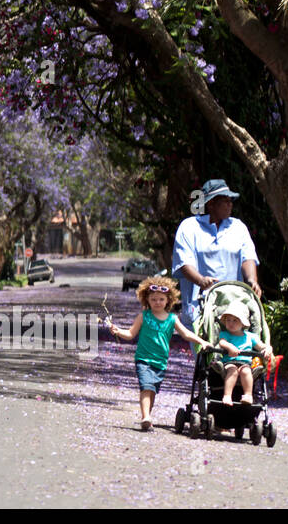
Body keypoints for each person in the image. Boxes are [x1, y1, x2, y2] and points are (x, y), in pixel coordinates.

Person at [105, 277, 207, 431]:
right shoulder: (144, 316)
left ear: (168, 300)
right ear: (147, 300)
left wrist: (202, 341)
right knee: (146, 387)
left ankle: (147, 418)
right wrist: (118, 331)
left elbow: (186, 334)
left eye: (161, 299)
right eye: (153, 299)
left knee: (152, 390)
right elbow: (131, 334)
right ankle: (145, 416)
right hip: (143, 359)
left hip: (160, 362)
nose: (157, 302)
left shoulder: (172, 319)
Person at [172, 178, 261, 333]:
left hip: (233, 308)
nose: (230, 204)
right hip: (200, 308)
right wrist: (200, 280)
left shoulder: (238, 227)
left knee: (235, 353)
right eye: (225, 200)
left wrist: (252, 280)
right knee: (207, 354)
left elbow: (247, 257)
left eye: (231, 200)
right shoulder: (189, 228)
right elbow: (184, 263)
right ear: (211, 204)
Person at [215, 302, 274, 405]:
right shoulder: (225, 334)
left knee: (246, 372)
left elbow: (261, 346)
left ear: (243, 323)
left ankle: (248, 395)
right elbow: (222, 342)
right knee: (233, 371)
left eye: (235, 320)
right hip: (230, 362)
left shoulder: (250, 337)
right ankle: (227, 396)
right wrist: (230, 347)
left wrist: (267, 349)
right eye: (228, 320)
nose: (230, 323)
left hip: (245, 363)